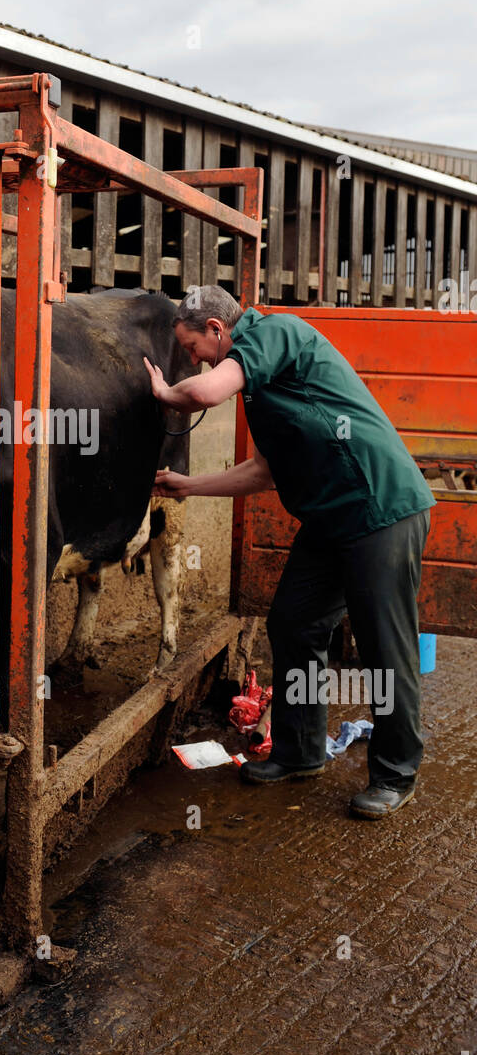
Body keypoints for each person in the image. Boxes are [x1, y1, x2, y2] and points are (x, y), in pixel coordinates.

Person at [144, 285, 435, 819]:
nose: (191, 359)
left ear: (217, 329)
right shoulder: (265, 384)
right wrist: (190, 485)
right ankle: (299, 752)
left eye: (192, 347)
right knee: (293, 622)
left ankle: (396, 773)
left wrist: (168, 394)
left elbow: (208, 393)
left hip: (380, 509)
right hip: (331, 519)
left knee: (383, 647)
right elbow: (263, 471)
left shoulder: (273, 333)